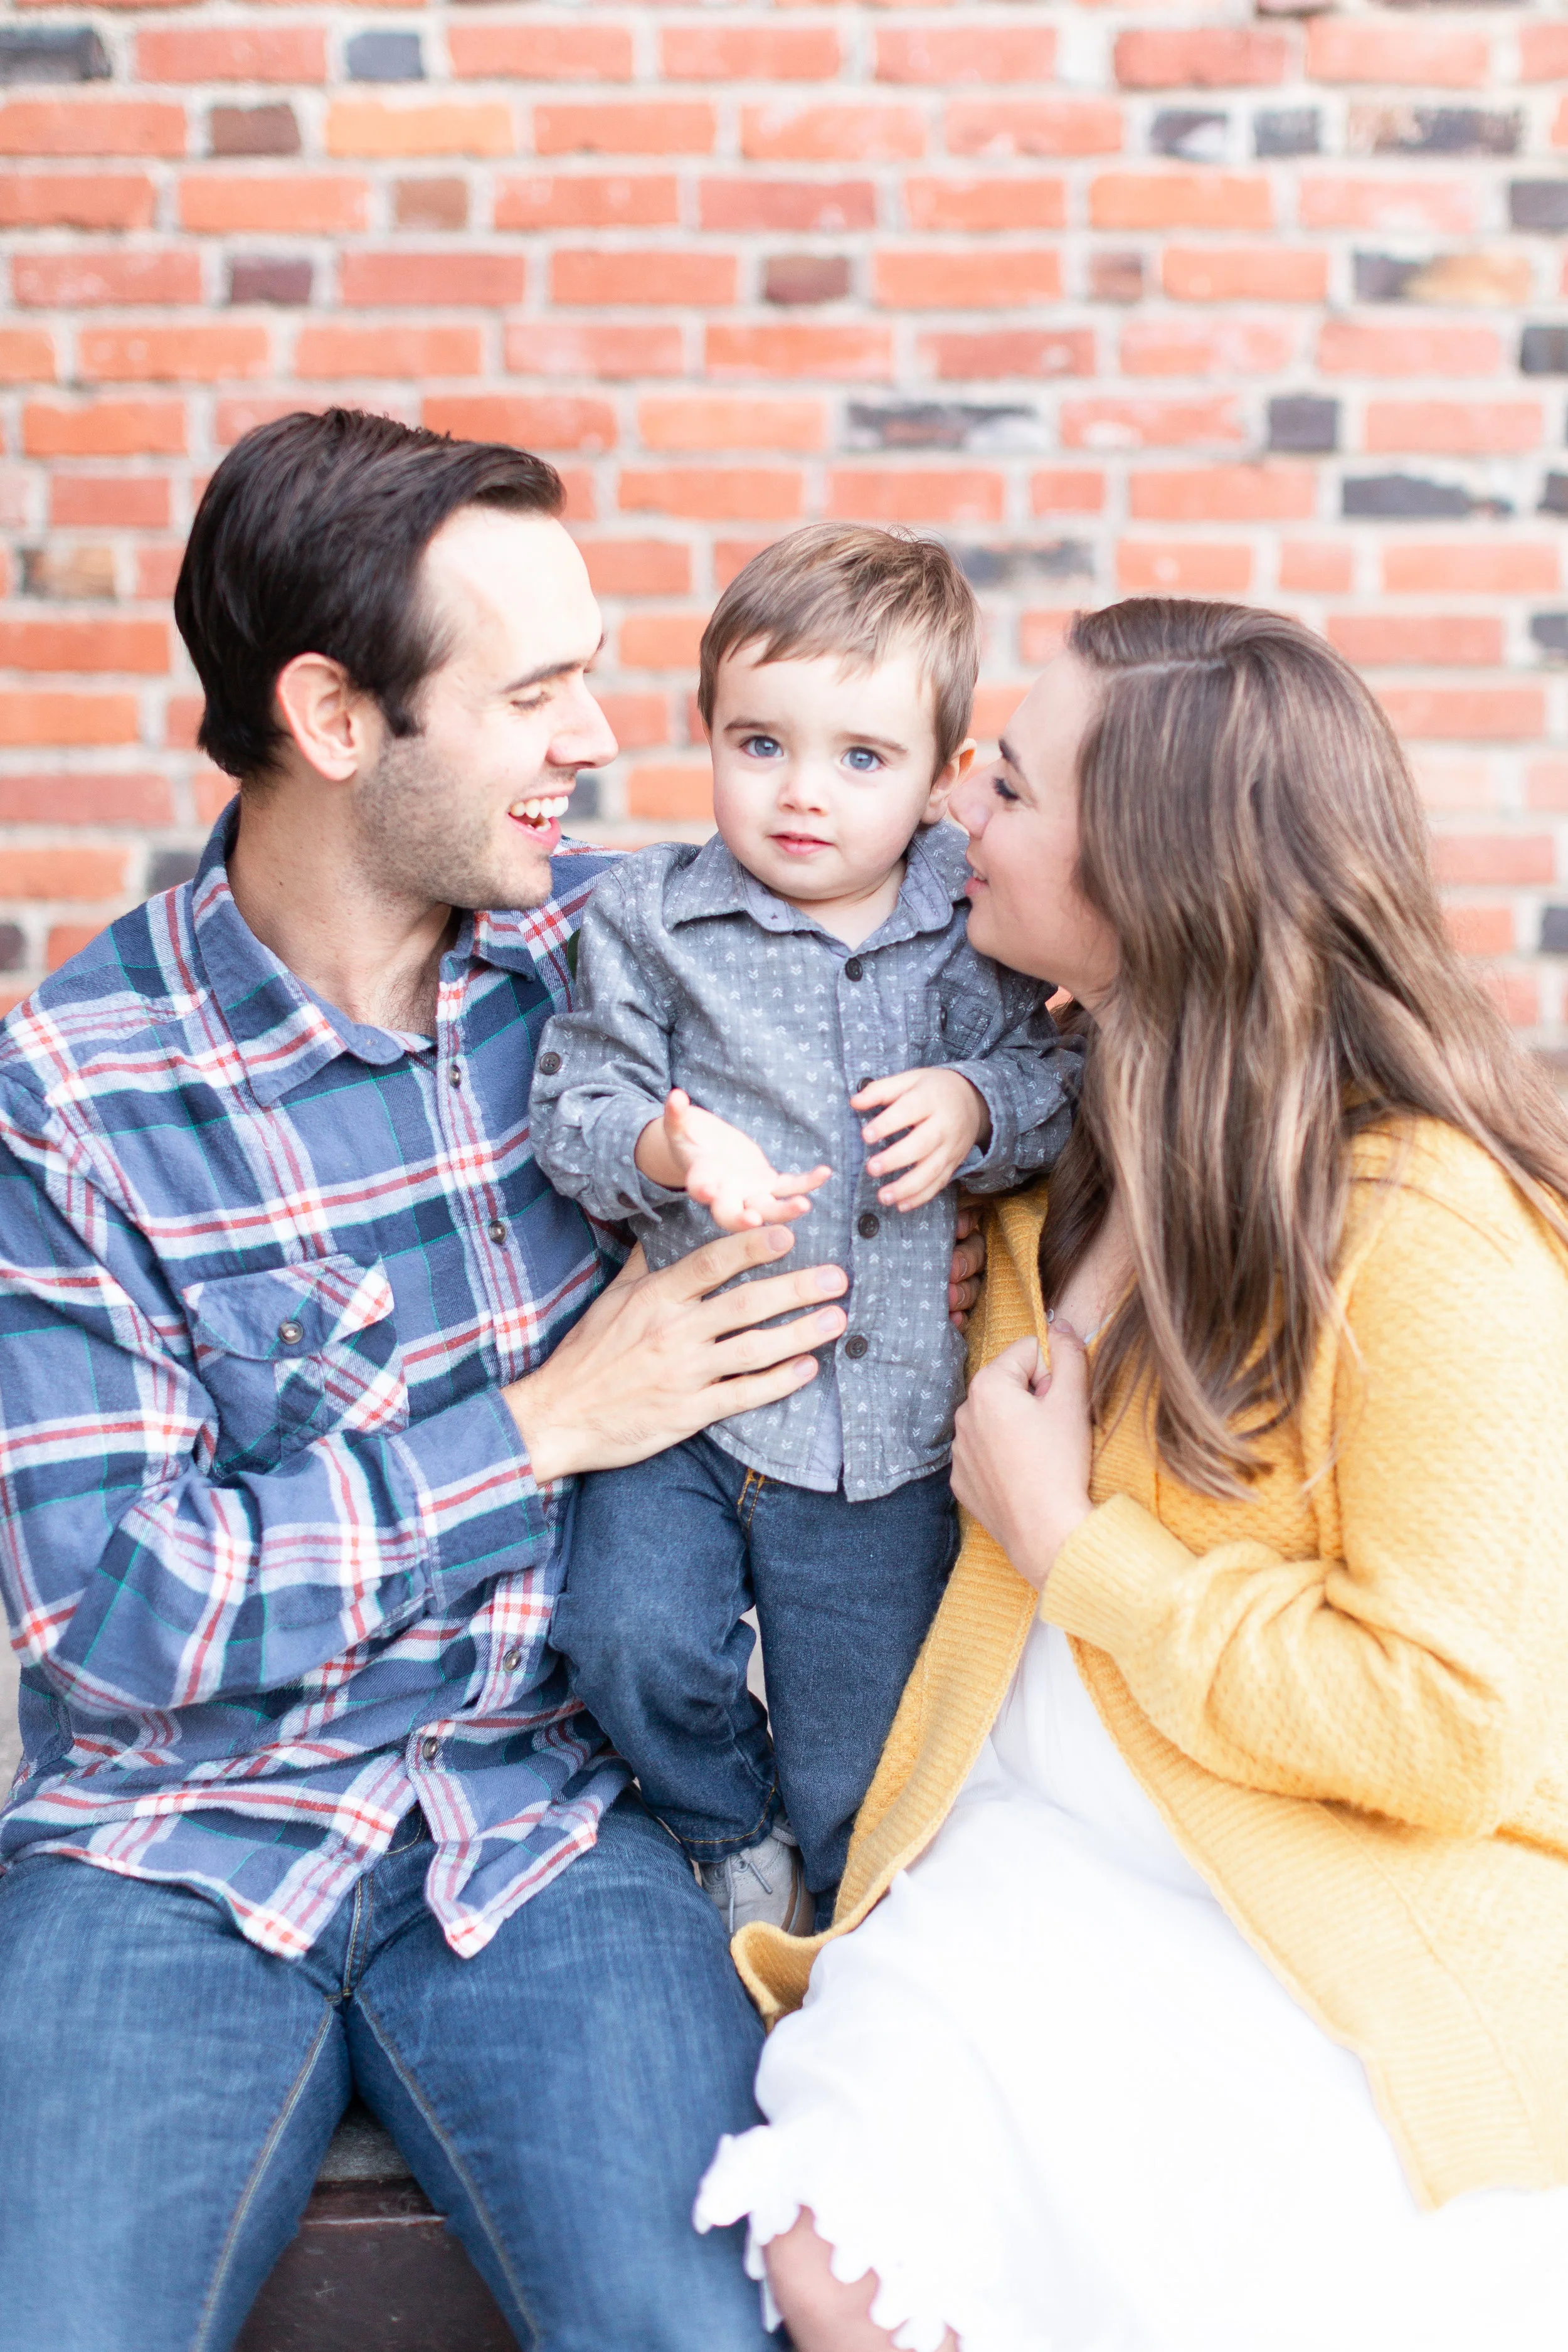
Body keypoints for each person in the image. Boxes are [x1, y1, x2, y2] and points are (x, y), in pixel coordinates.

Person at [0, 405, 988, 2352]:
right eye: (536, 693)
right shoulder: (76, 1091)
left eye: (596, 682)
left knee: (691, 2323)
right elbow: (117, 1607)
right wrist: (539, 1424)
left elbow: (990, 944)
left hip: (553, 1822)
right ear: (338, 715)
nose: (600, 745)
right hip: (173, 1844)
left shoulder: (632, 956)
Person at [696, 598, 1568, 2352]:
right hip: (1018, 1886)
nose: (958, 813)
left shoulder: (1417, 1229)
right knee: (836, 2251)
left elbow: (1443, 1723)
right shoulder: (1051, 1156)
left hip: (1302, 1918)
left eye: (1008, 786)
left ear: (1150, 877)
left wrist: (1074, 1542)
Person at [532, 526, 1079, 1934]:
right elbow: (574, 1098)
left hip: (883, 1426)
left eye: (860, 758)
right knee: (628, 1638)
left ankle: (841, 1940)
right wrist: (661, 1142)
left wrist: (969, 1103)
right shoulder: (647, 921)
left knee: (862, 1750)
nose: (799, 796)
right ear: (702, 729)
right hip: (689, 1408)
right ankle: (721, 1830)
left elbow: (1052, 1087)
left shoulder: (971, 937)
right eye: (759, 744)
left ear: (944, 779)